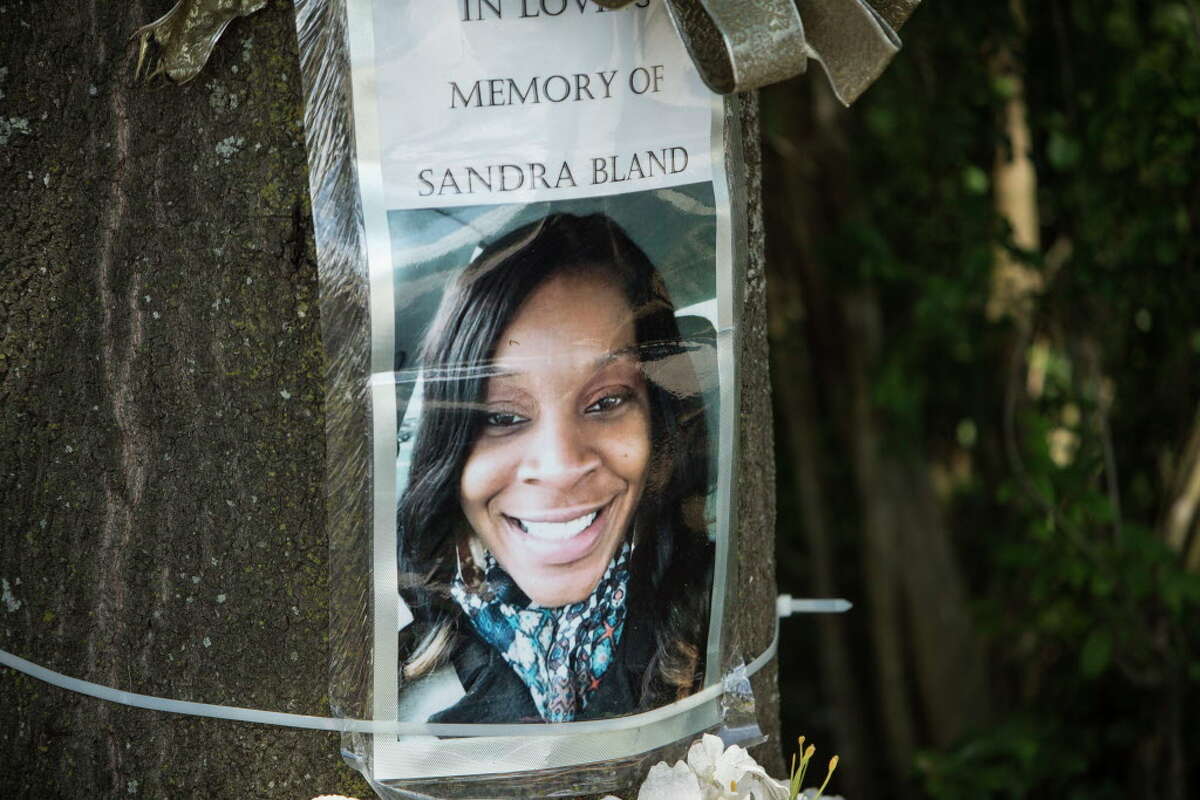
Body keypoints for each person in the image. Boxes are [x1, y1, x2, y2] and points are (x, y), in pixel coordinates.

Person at [396, 212, 713, 724]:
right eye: (502, 415)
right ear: (447, 446)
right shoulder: (387, 653)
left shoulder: (717, 611)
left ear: (658, 421)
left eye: (607, 401)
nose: (562, 466)